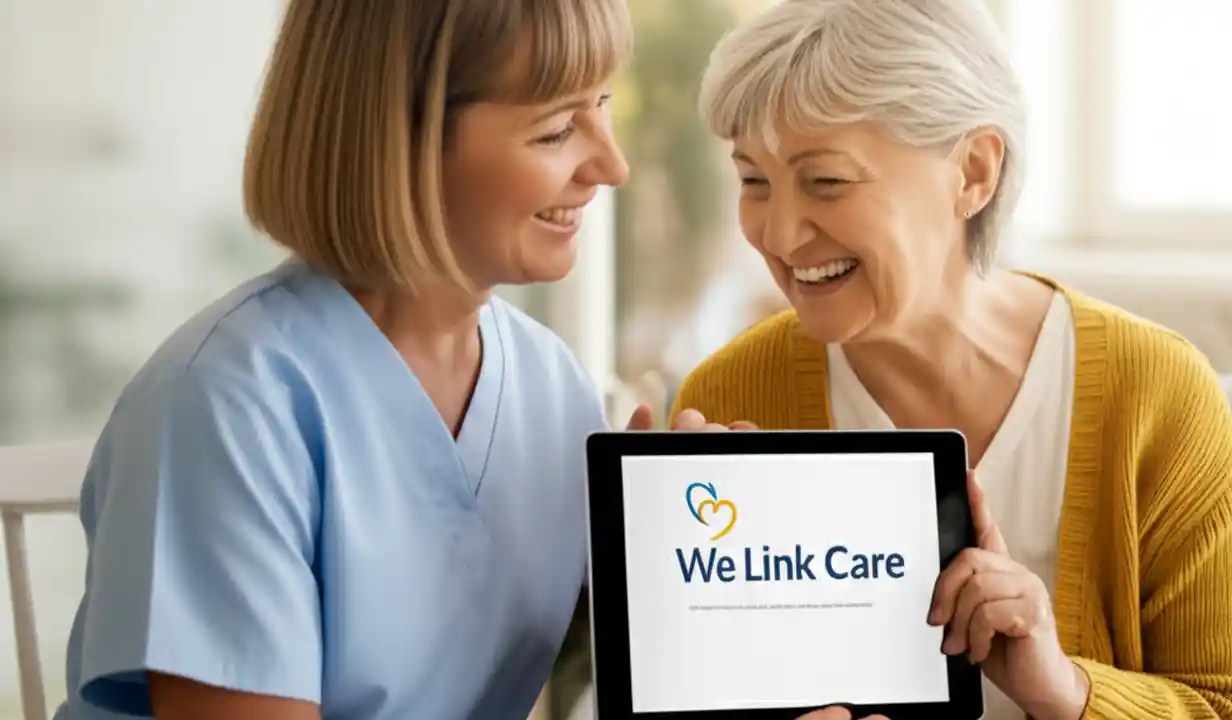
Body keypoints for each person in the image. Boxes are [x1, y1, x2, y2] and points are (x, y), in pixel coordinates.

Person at [52, 2, 854, 719]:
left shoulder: (550, 386)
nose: (611, 165)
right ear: (396, 141)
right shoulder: (227, 405)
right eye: (555, 129)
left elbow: (620, 674)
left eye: (603, 105)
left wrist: (677, 567)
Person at [673, 1, 1232, 719]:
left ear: (973, 170)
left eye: (826, 181)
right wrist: (677, 602)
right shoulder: (732, 396)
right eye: (753, 180)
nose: (777, 232)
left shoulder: (1157, 393)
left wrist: (1062, 687)